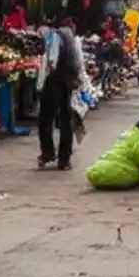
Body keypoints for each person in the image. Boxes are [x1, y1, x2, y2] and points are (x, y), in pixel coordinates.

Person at [37, 18, 82, 170]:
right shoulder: (72, 39)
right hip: (68, 81)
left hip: (55, 81)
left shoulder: (55, 35)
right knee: (66, 120)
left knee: (45, 119)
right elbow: (78, 62)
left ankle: (47, 153)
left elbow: (52, 60)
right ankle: (64, 159)